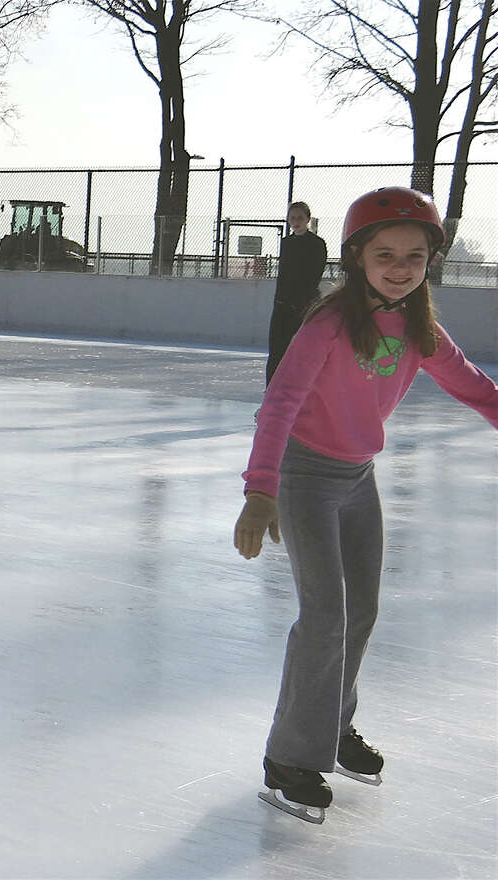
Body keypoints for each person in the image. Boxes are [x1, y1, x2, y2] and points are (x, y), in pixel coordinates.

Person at [233, 187, 498, 824]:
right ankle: (289, 758)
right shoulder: (328, 323)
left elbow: (472, 385)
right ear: (356, 257)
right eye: (385, 255)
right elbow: (281, 401)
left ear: (430, 260)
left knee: (361, 612)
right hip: (304, 476)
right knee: (325, 616)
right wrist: (261, 489)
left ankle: (332, 728)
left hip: (358, 477)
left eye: (414, 256)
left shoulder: (419, 328)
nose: (400, 268)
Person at [265, 201, 327, 384]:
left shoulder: (317, 244)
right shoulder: (287, 243)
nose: (296, 221)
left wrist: (304, 301)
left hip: (306, 304)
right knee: (276, 349)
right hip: (283, 303)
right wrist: (279, 300)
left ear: (308, 219)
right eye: (292, 218)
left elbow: (315, 275)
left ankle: (308, 388)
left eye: (300, 217)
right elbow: (283, 275)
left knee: (307, 350)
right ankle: (271, 390)